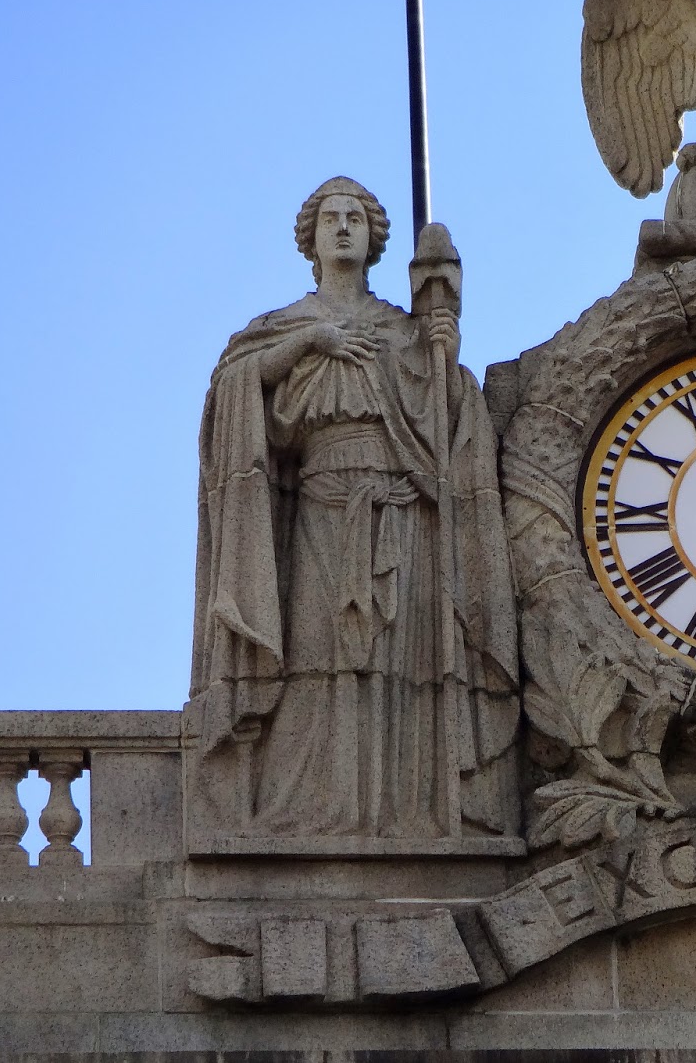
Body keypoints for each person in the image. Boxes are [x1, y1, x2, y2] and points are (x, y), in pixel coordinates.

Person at [189, 177, 519, 839]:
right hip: (318, 510)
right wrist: (312, 343)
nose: (343, 227)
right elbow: (235, 390)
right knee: (316, 656)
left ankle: (405, 812)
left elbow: (447, 424)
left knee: (396, 671)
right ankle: (312, 809)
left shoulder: (404, 332)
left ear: (374, 242)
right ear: (309, 240)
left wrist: (444, 355)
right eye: (331, 218)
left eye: (357, 219)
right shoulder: (279, 329)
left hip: (400, 516)